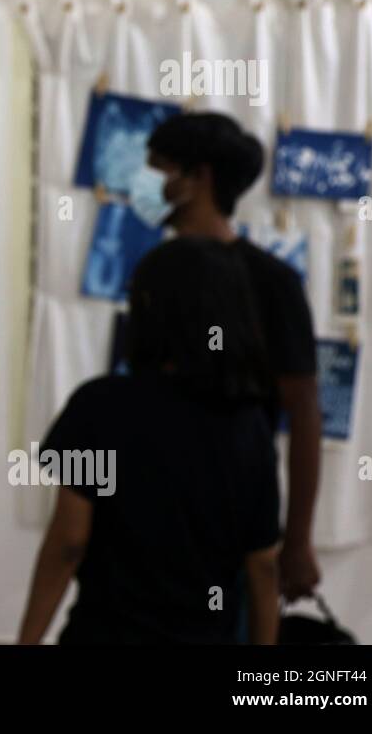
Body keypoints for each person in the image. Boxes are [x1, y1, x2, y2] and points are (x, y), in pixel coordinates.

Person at [17, 238, 280, 644]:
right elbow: (262, 566)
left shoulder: (97, 407)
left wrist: (27, 640)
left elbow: (69, 542)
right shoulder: (250, 428)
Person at [129, 112, 322, 601]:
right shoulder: (153, 273)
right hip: (149, 512)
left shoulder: (273, 282)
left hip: (233, 516)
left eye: (158, 168)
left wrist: (297, 540)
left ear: (199, 178)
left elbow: (302, 411)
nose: (144, 182)